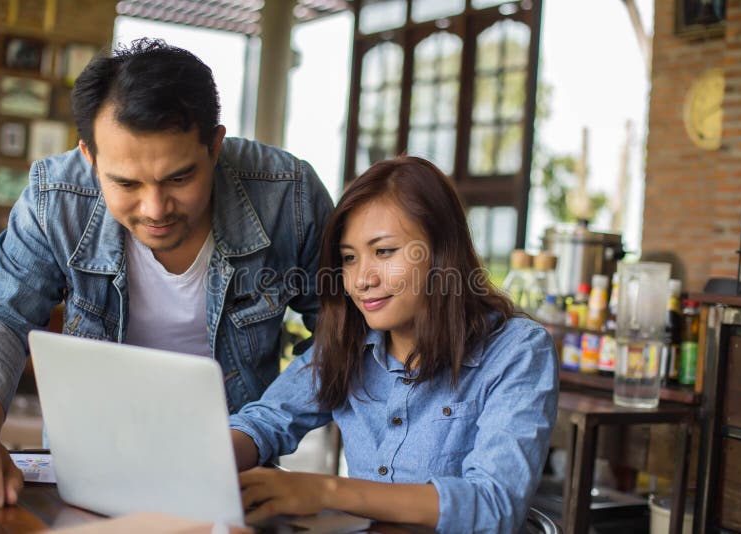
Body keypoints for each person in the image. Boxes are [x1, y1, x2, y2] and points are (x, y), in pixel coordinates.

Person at [0, 39, 332, 512]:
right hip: (84, 471)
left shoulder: (288, 197)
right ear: (90, 159)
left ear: (215, 145)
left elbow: (343, 335)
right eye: (126, 183)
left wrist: (252, 434)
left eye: (178, 178)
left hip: (232, 471)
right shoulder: (55, 198)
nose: (155, 210)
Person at [229, 156, 558, 533]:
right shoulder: (346, 341)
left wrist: (326, 490)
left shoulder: (517, 351)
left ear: (441, 250)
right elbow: (266, 421)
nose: (361, 279)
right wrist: (205, 455)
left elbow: (493, 504)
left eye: (384, 252)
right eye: (349, 258)